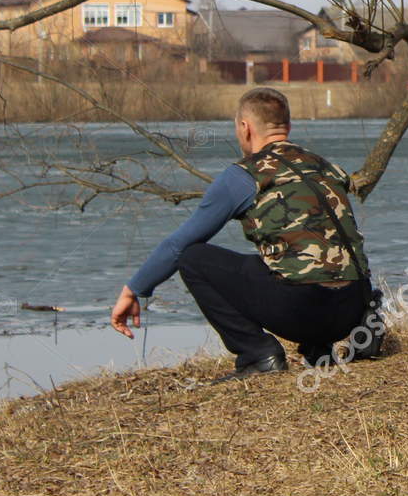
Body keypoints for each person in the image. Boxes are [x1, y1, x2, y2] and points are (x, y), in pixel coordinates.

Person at [110, 87, 381, 382]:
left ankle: (258, 354)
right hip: (354, 308)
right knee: (299, 252)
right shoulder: (325, 166)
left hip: (304, 312)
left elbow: (179, 244)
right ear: (287, 127)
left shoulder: (245, 175)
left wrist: (133, 289)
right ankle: (323, 347)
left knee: (193, 258)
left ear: (245, 127)